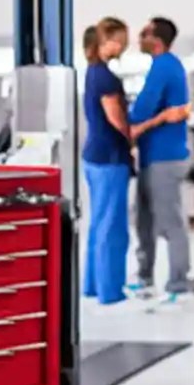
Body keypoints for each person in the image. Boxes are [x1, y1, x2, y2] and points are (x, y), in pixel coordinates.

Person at [127, 17, 193, 307]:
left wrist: (131, 121)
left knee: (169, 222)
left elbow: (143, 108)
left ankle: (179, 282)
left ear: (155, 38)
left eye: (143, 33)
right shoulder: (164, 65)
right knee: (145, 220)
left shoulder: (164, 65)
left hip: (165, 158)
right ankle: (145, 278)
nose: (138, 37)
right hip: (153, 156)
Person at [80, 18, 134, 308]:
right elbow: (116, 119)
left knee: (98, 223)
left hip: (93, 156)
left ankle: (92, 286)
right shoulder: (106, 78)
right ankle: (110, 291)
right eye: (119, 39)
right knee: (112, 226)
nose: (122, 45)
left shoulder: (92, 73)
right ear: (104, 40)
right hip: (110, 158)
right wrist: (134, 136)